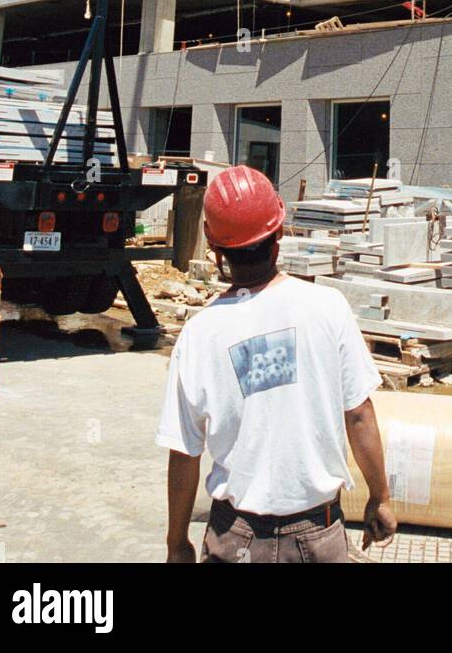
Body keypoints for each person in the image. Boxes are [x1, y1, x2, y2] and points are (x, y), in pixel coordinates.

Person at [156, 164, 397, 563]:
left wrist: (177, 543)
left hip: (234, 540)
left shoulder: (200, 334)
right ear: (279, 235)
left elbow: (184, 452)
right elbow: (358, 415)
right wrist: (380, 497)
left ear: (215, 251)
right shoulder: (327, 308)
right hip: (319, 536)